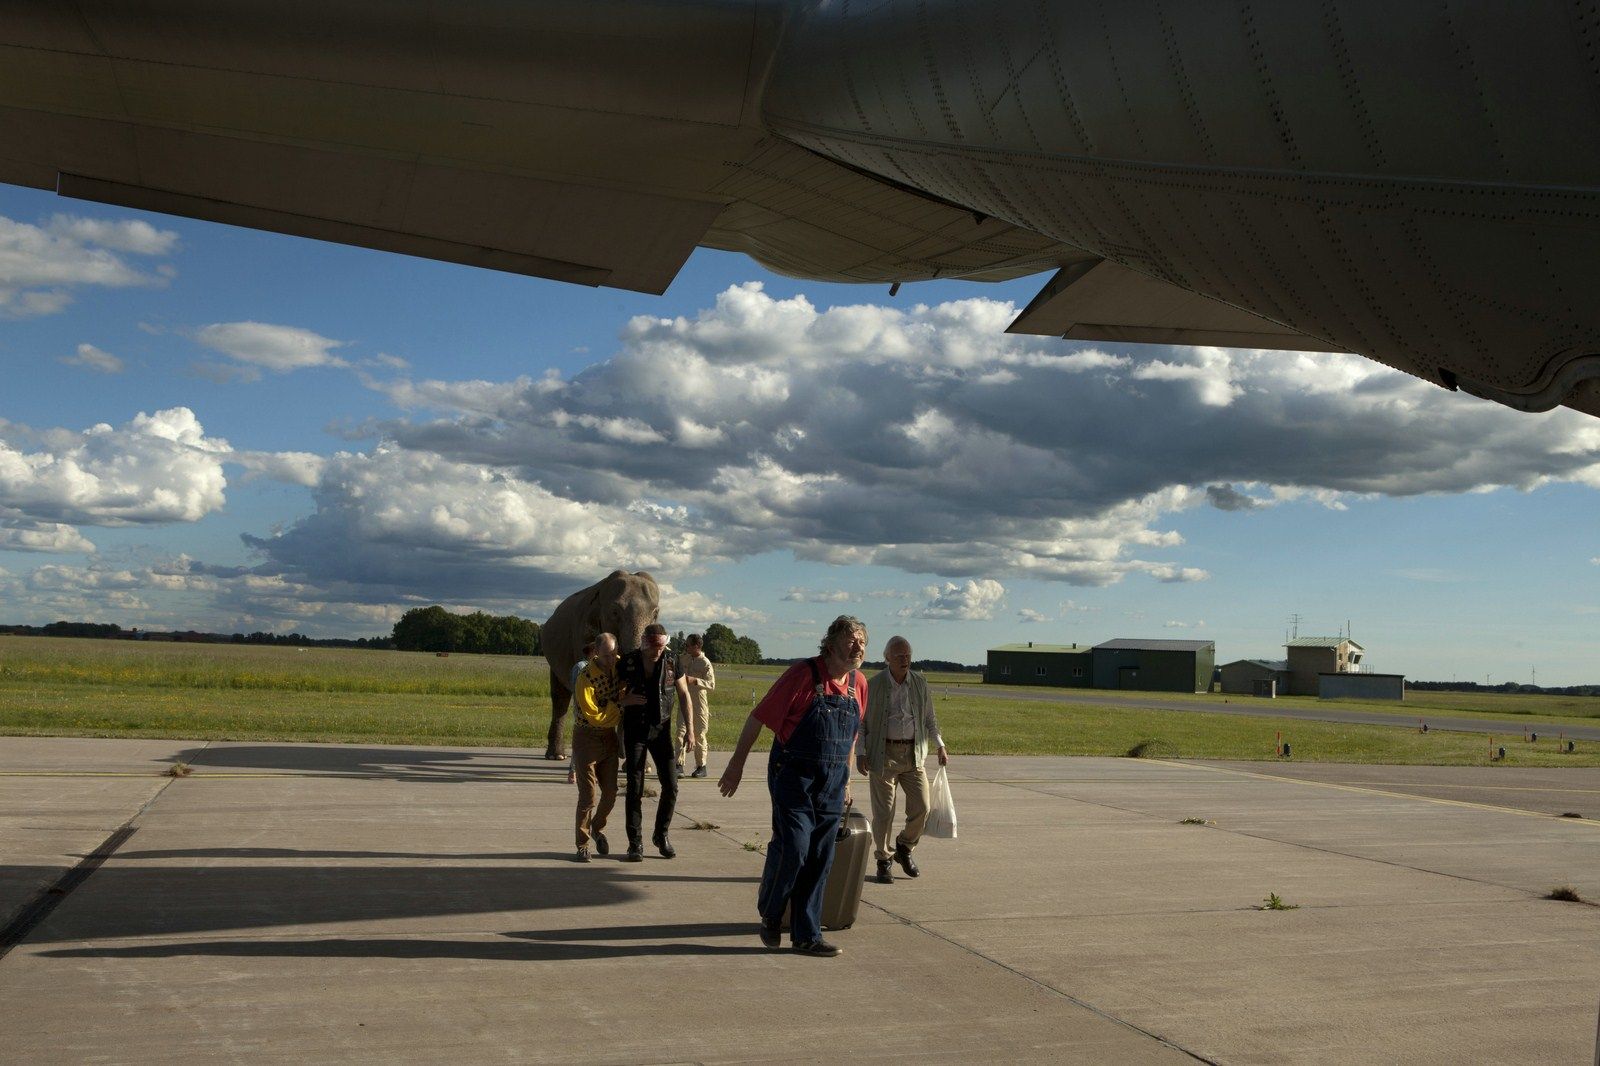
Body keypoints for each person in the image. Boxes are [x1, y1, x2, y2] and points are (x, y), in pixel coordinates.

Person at [718, 615, 866, 957]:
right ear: (830, 644)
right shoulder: (803, 675)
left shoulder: (860, 684)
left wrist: (846, 779)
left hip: (832, 783)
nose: (858, 647)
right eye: (851, 640)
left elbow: (851, 736)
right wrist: (736, 765)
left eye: (862, 641)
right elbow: (757, 717)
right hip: (794, 775)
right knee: (795, 847)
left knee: (820, 856)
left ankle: (806, 935)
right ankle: (771, 913)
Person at [858, 635, 946, 884]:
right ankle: (883, 860)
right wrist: (861, 753)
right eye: (899, 656)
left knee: (923, 807)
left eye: (907, 655)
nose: (905, 659)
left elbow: (929, 719)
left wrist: (939, 745)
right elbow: (861, 723)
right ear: (887, 658)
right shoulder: (873, 685)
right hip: (882, 754)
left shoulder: (919, 683)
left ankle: (904, 847)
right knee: (884, 812)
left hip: (913, 754)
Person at [617, 622, 690, 861]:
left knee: (671, 785)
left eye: (662, 646)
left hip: (661, 731)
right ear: (644, 642)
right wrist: (624, 701)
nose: (658, 651)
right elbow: (611, 693)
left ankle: (661, 834)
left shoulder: (672, 661)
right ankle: (634, 843)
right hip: (635, 730)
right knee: (634, 786)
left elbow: (683, 693)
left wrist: (690, 729)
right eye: (654, 647)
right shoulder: (628, 661)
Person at [570, 634, 623, 863]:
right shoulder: (585, 678)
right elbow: (595, 716)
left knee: (610, 792)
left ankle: (597, 827)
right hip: (587, 737)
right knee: (588, 796)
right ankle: (582, 844)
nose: (611, 659)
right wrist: (620, 705)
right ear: (595, 653)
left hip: (609, 737)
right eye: (606, 655)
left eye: (613, 654)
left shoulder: (618, 665)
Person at [676, 632, 716, 778]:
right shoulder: (682, 659)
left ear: (696, 646)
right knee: (680, 732)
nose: (685, 647)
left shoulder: (705, 663)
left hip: (699, 703)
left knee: (699, 734)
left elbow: (712, 685)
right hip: (683, 700)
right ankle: (678, 765)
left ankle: (701, 766)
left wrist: (695, 680)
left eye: (688, 645)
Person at [565, 641, 596, 786]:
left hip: (596, 711)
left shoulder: (598, 667)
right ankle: (573, 771)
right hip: (583, 711)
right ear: (592, 651)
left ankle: (591, 772)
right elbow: (577, 690)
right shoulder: (581, 667)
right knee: (581, 742)